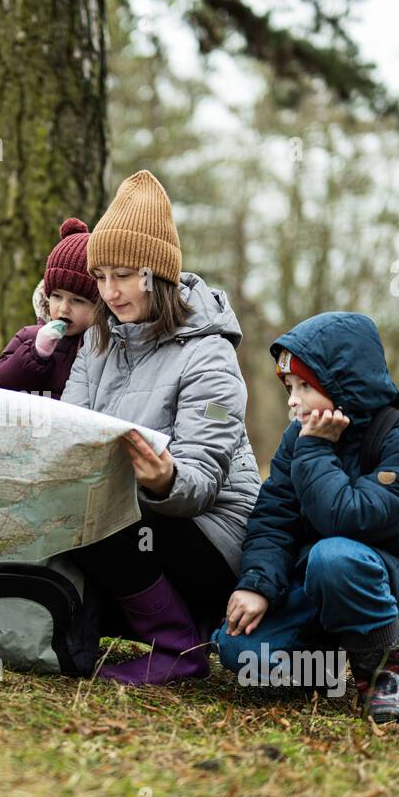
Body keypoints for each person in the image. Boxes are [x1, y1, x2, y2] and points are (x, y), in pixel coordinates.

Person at [61, 170, 261, 686]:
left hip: (215, 537)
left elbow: (202, 480)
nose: (110, 291)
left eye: (124, 275)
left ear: (158, 274)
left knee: (100, 521)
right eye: (100, 276)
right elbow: (69, 426)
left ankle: (178, 650)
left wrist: (163, 479)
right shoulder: (98, 341)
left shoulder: (209, 354)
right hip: (138, 519)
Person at [216, 312, 399, 723]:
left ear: (343, 386)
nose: (293, 399)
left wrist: (317, 451)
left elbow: (350, 518)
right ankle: (325, 666)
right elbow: (274, 518)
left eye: (306, 386)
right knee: (242, 653)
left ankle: (385, 676)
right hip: (320, 580)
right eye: (289, 386)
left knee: (334, 556)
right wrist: (258, 586)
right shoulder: (298, 438)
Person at [0, 218, 97, 400]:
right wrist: (36, 354)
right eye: (57, 296)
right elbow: (2, 382)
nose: (64, 308)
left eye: (77, 301)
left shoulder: (101, 346)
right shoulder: (30, 337)